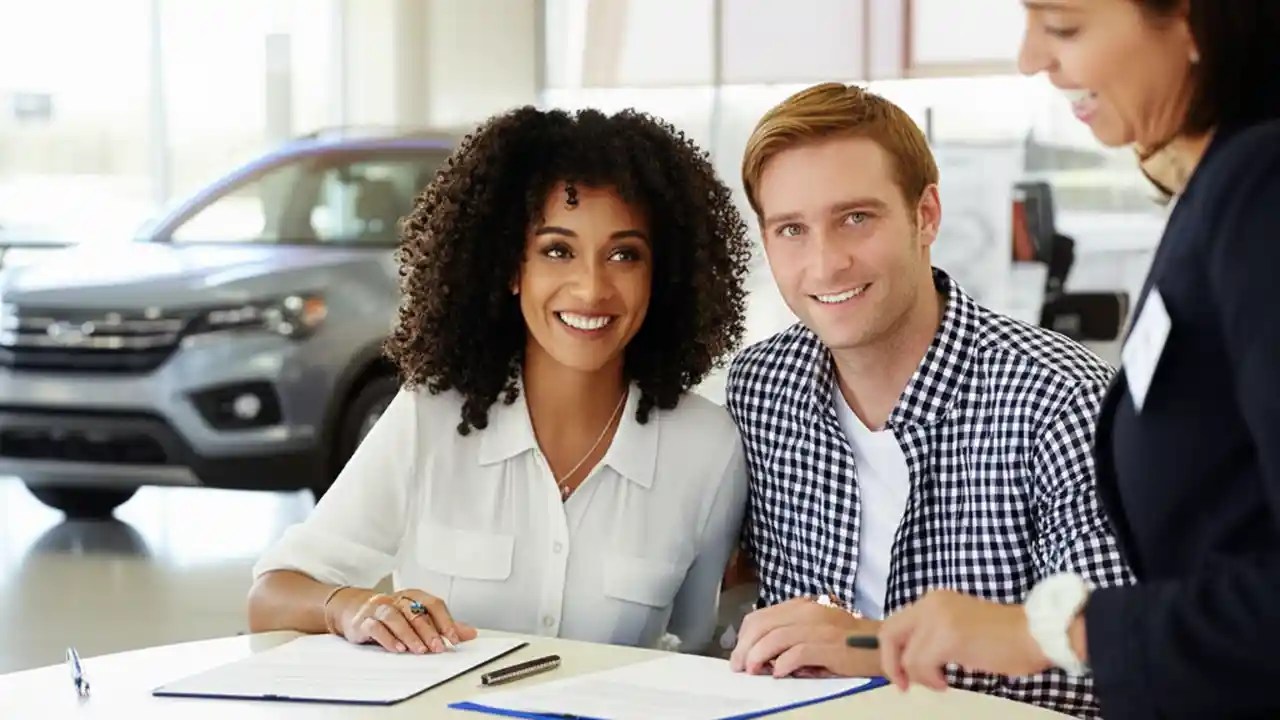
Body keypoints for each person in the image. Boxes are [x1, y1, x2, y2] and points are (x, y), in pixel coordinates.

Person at [874, 2, 1280, 718]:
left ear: (1192, 22)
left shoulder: (1260, 189)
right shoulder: (1211, 191)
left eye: (1062, 26)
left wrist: (1051, 631)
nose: (1031, 58)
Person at [246, 106, 753, 656]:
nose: (591, 288)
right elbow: (272, 593)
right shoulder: (430, 416)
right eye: (557, 251)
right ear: (511, 268)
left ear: (662, 275)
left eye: (624, 255)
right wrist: (353, 607)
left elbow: (701, 649)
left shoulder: (707, 448)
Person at [723, 82, 1132, 717]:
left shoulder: (1061, 398)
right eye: (792, 229)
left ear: (926, 216)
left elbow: (1111, 655)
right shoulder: (760, 388)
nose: (825, 264)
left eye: (856, 218)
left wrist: (876, 646)